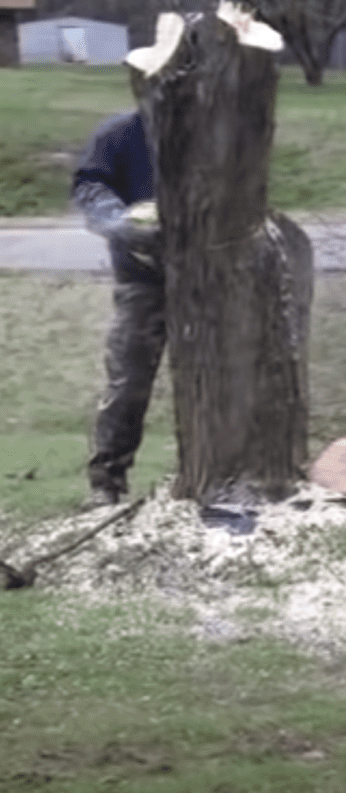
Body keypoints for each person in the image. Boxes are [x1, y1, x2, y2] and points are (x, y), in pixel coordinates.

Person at [72, 110, 164, 505]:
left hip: (214, 279)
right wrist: (119, 221)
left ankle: (230, 472)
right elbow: (90, 185)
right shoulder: (121, 134)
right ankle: (106, 480)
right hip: (143, 278)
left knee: (228, 376)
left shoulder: (217, 125)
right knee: (128, 380)